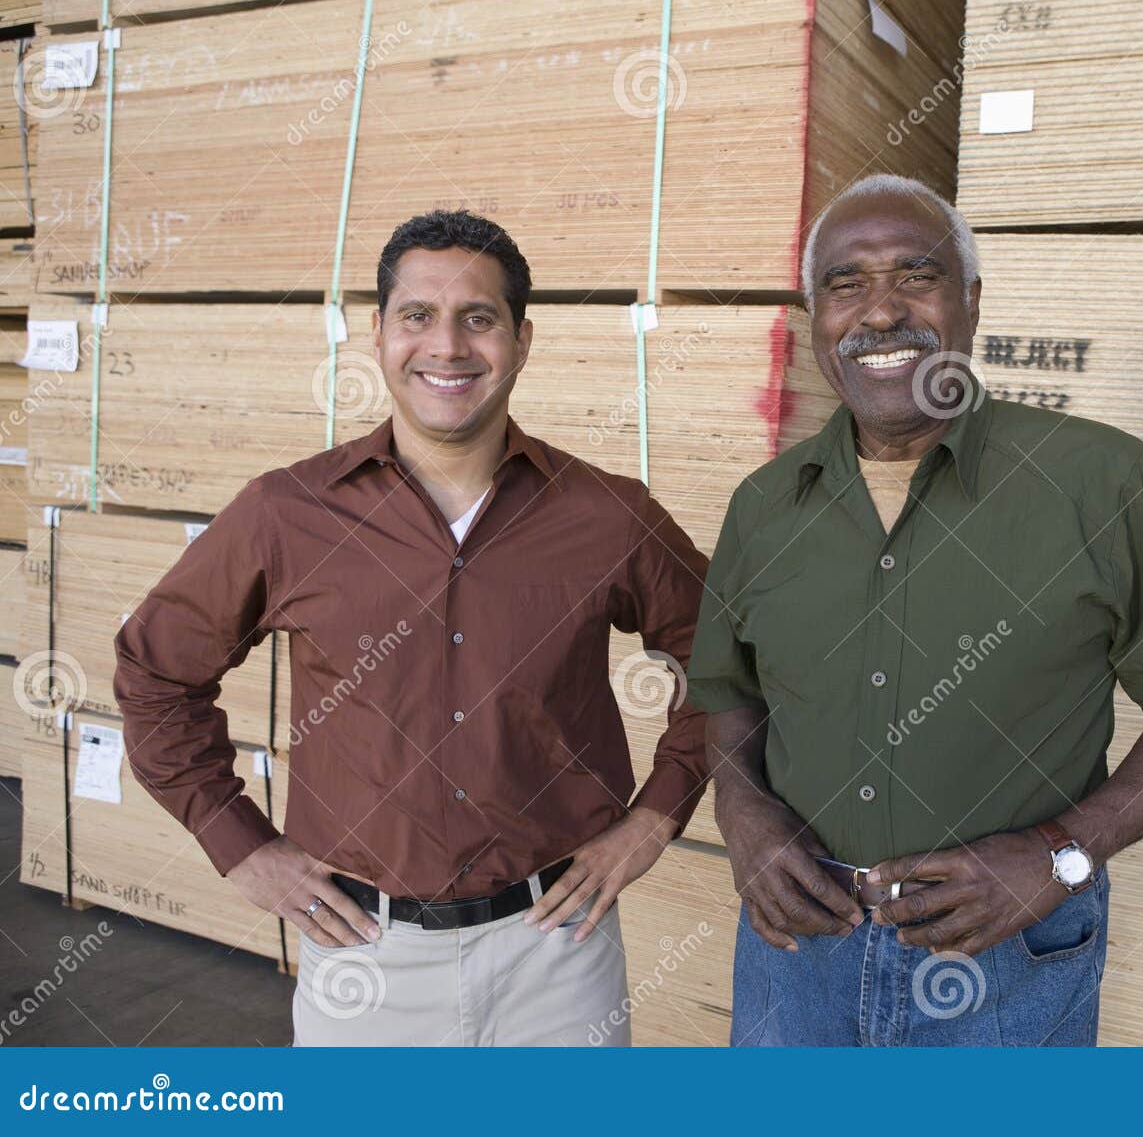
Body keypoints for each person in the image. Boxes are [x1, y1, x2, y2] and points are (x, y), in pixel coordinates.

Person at [686, 174, 1143, 1046]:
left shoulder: (1102, 484)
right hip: (797, 946)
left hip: (1011, 952)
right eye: (845, 284)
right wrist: (739, 810)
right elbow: (725, 690)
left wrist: (1060, 855)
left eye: (915, 275)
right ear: (816, 320)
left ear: (972, 302)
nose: (879, 313)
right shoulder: (765, 506)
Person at [114, 210, 710, 1046]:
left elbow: (727, 660)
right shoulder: (287, 514)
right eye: (418, 316)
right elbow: (155, 675)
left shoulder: (609, 516)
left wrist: (656, 818)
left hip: (559, 956)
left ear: (522, 339)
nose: (448, 347)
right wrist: (239, 844)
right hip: (363, 956)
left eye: (479, 318)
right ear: (379, 335)